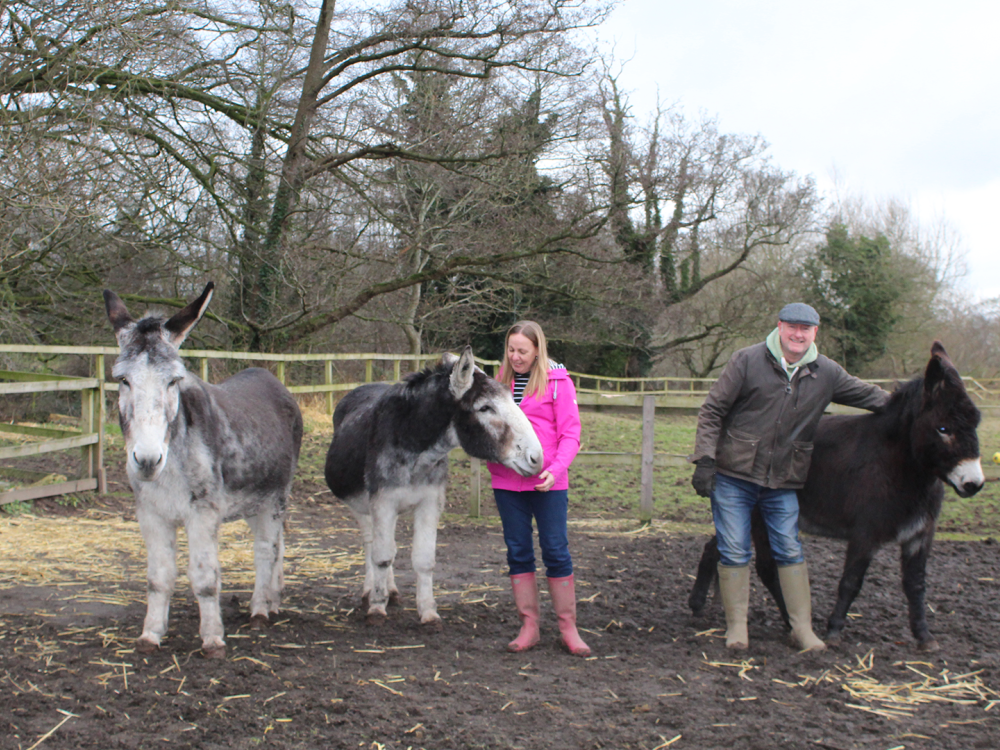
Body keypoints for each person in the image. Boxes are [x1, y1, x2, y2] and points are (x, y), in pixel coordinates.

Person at [690, 303, 891, 652]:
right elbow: (712, 410)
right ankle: (737, 628)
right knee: (735, 549)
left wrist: (915, 404)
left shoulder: (826, 372)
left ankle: (801, 630)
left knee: (789, 548)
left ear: (815, 332)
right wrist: (705, 459)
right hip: (735, 475)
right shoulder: (746, 361)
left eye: (805, 329)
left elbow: (871, 396)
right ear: (780, 326)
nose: (798, 334)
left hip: (783, 480)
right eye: (792, 327)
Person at [487, 320, 591, 657]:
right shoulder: (498, 384)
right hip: (507, 483)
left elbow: (571, 434)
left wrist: (556, 470)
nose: (515, 357)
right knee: (518, 551)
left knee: (556, 550)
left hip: (549, 483)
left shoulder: (558, 383)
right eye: (511, 349)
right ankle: (529, 626)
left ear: (537, 351)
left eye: (522, 351)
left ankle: (568, 627)